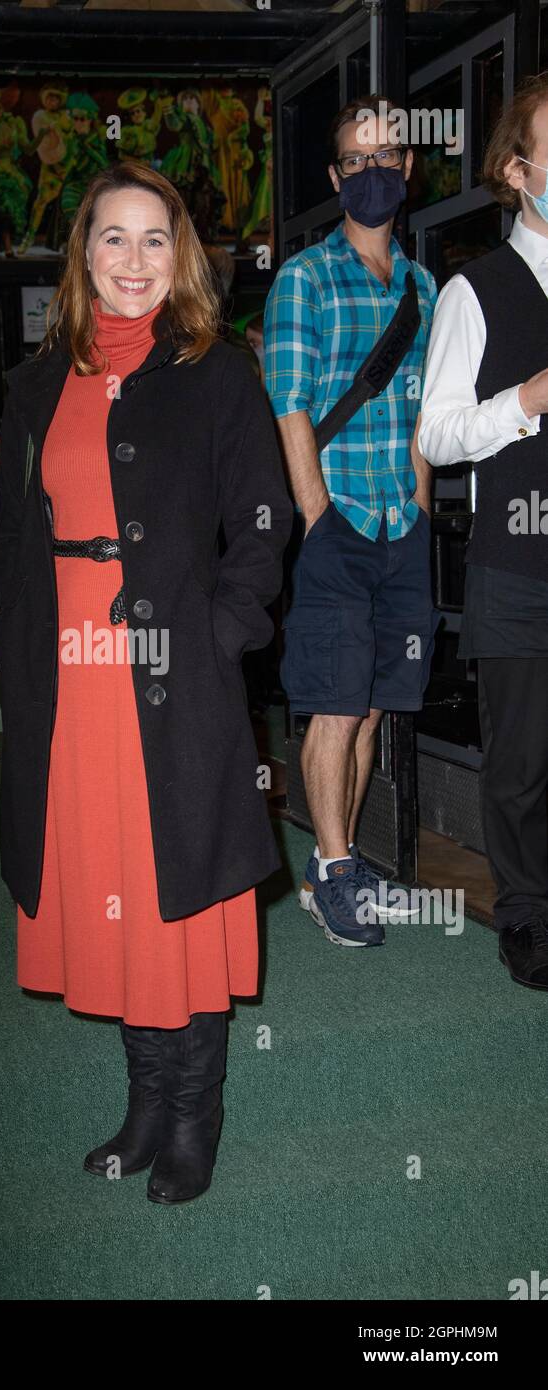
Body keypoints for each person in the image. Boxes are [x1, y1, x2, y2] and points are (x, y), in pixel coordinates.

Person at [0, 158, 292, 1204]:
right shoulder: (34, 384)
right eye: (111, 237)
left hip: (172, 674)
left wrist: (216, 633)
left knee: (178, 892)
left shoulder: (216, 369)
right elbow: (12, 535)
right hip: (65, 679)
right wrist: (13, 631)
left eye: (153, 238)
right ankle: (144, 1102)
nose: (132, 259)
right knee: (107, 887)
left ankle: (194, 1113)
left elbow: (263, 521)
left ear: (181, 255)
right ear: (81, 254)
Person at [264, 94, 439, 947]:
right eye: (357, 161)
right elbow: (290, 405)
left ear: (407, 169)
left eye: (389, 157)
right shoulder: (305, 277)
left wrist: (420, 503)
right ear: (338, 179)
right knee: (334, 706)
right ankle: (336, 871)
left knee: (371, 708)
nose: (375, 172)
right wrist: (316, 515)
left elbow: (423, 415)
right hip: (334, 526)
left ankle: (338, 863)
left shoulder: (424, 286)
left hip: (399, 526)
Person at [419, 74, 548, 990]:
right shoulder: (477, 290)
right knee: (523, 764)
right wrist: (528, 402)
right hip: (521, 563)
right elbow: (437, 432)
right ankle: (529, 916)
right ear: (519, 168)